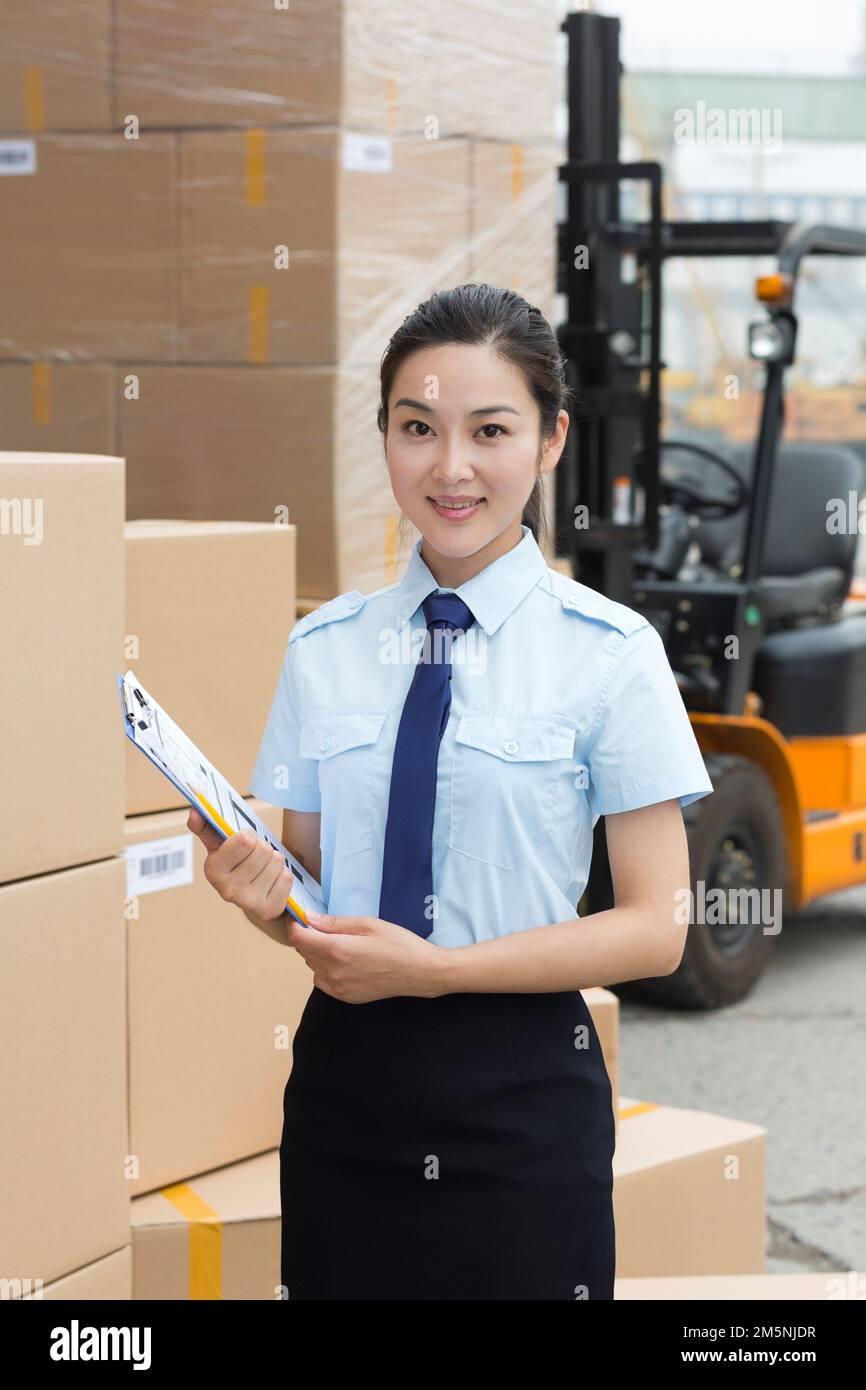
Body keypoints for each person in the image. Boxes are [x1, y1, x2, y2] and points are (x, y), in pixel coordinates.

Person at [188, 283, 714, 1301]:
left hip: (520, 1099)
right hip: (345, 1098)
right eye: (416, 428)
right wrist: (259, 890)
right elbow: (315, 902)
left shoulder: (609, 655)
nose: (450, 466)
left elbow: (655, 928)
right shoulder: (323, 649)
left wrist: (438, 970)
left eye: (489, 429)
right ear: (382, 434)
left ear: (551, 439)